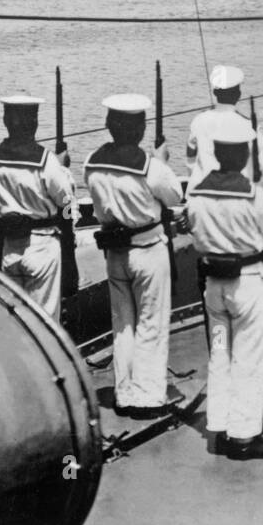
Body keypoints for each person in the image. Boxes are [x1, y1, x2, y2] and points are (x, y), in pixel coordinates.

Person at [185, 114, 263, 461]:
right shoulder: (254, 194)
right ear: (242, 156)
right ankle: (244, 437)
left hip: (214, 289)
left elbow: (193, 231)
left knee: (220, 354)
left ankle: (220, 429)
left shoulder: (195, 192)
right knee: (249, 357)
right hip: (246, 285)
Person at [84, 93, 183, 419]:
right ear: (140, 128)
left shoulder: (91, 164)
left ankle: (124, 393)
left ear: (109, 125)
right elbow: (173, 195)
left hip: (115, 253)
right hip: (148, 250)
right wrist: (163, 160)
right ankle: (149, 398)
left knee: (123, 326)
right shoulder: (151, 167)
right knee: (151, 324)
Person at [0, 95, 75, 319]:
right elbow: (66, 203)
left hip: (9, 249)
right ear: (34, 122)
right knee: (45, 324)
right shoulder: (46, 161)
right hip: (41, 245)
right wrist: (63, 170)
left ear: (6, 121)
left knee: (16, 321)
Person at [186, 65, 263, 189]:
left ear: (215, 92)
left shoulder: (198, 120)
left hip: (201, 192)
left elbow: (190, 154)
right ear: (238, 94)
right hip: (237, 192)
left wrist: (192, 175)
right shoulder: (247, 126)